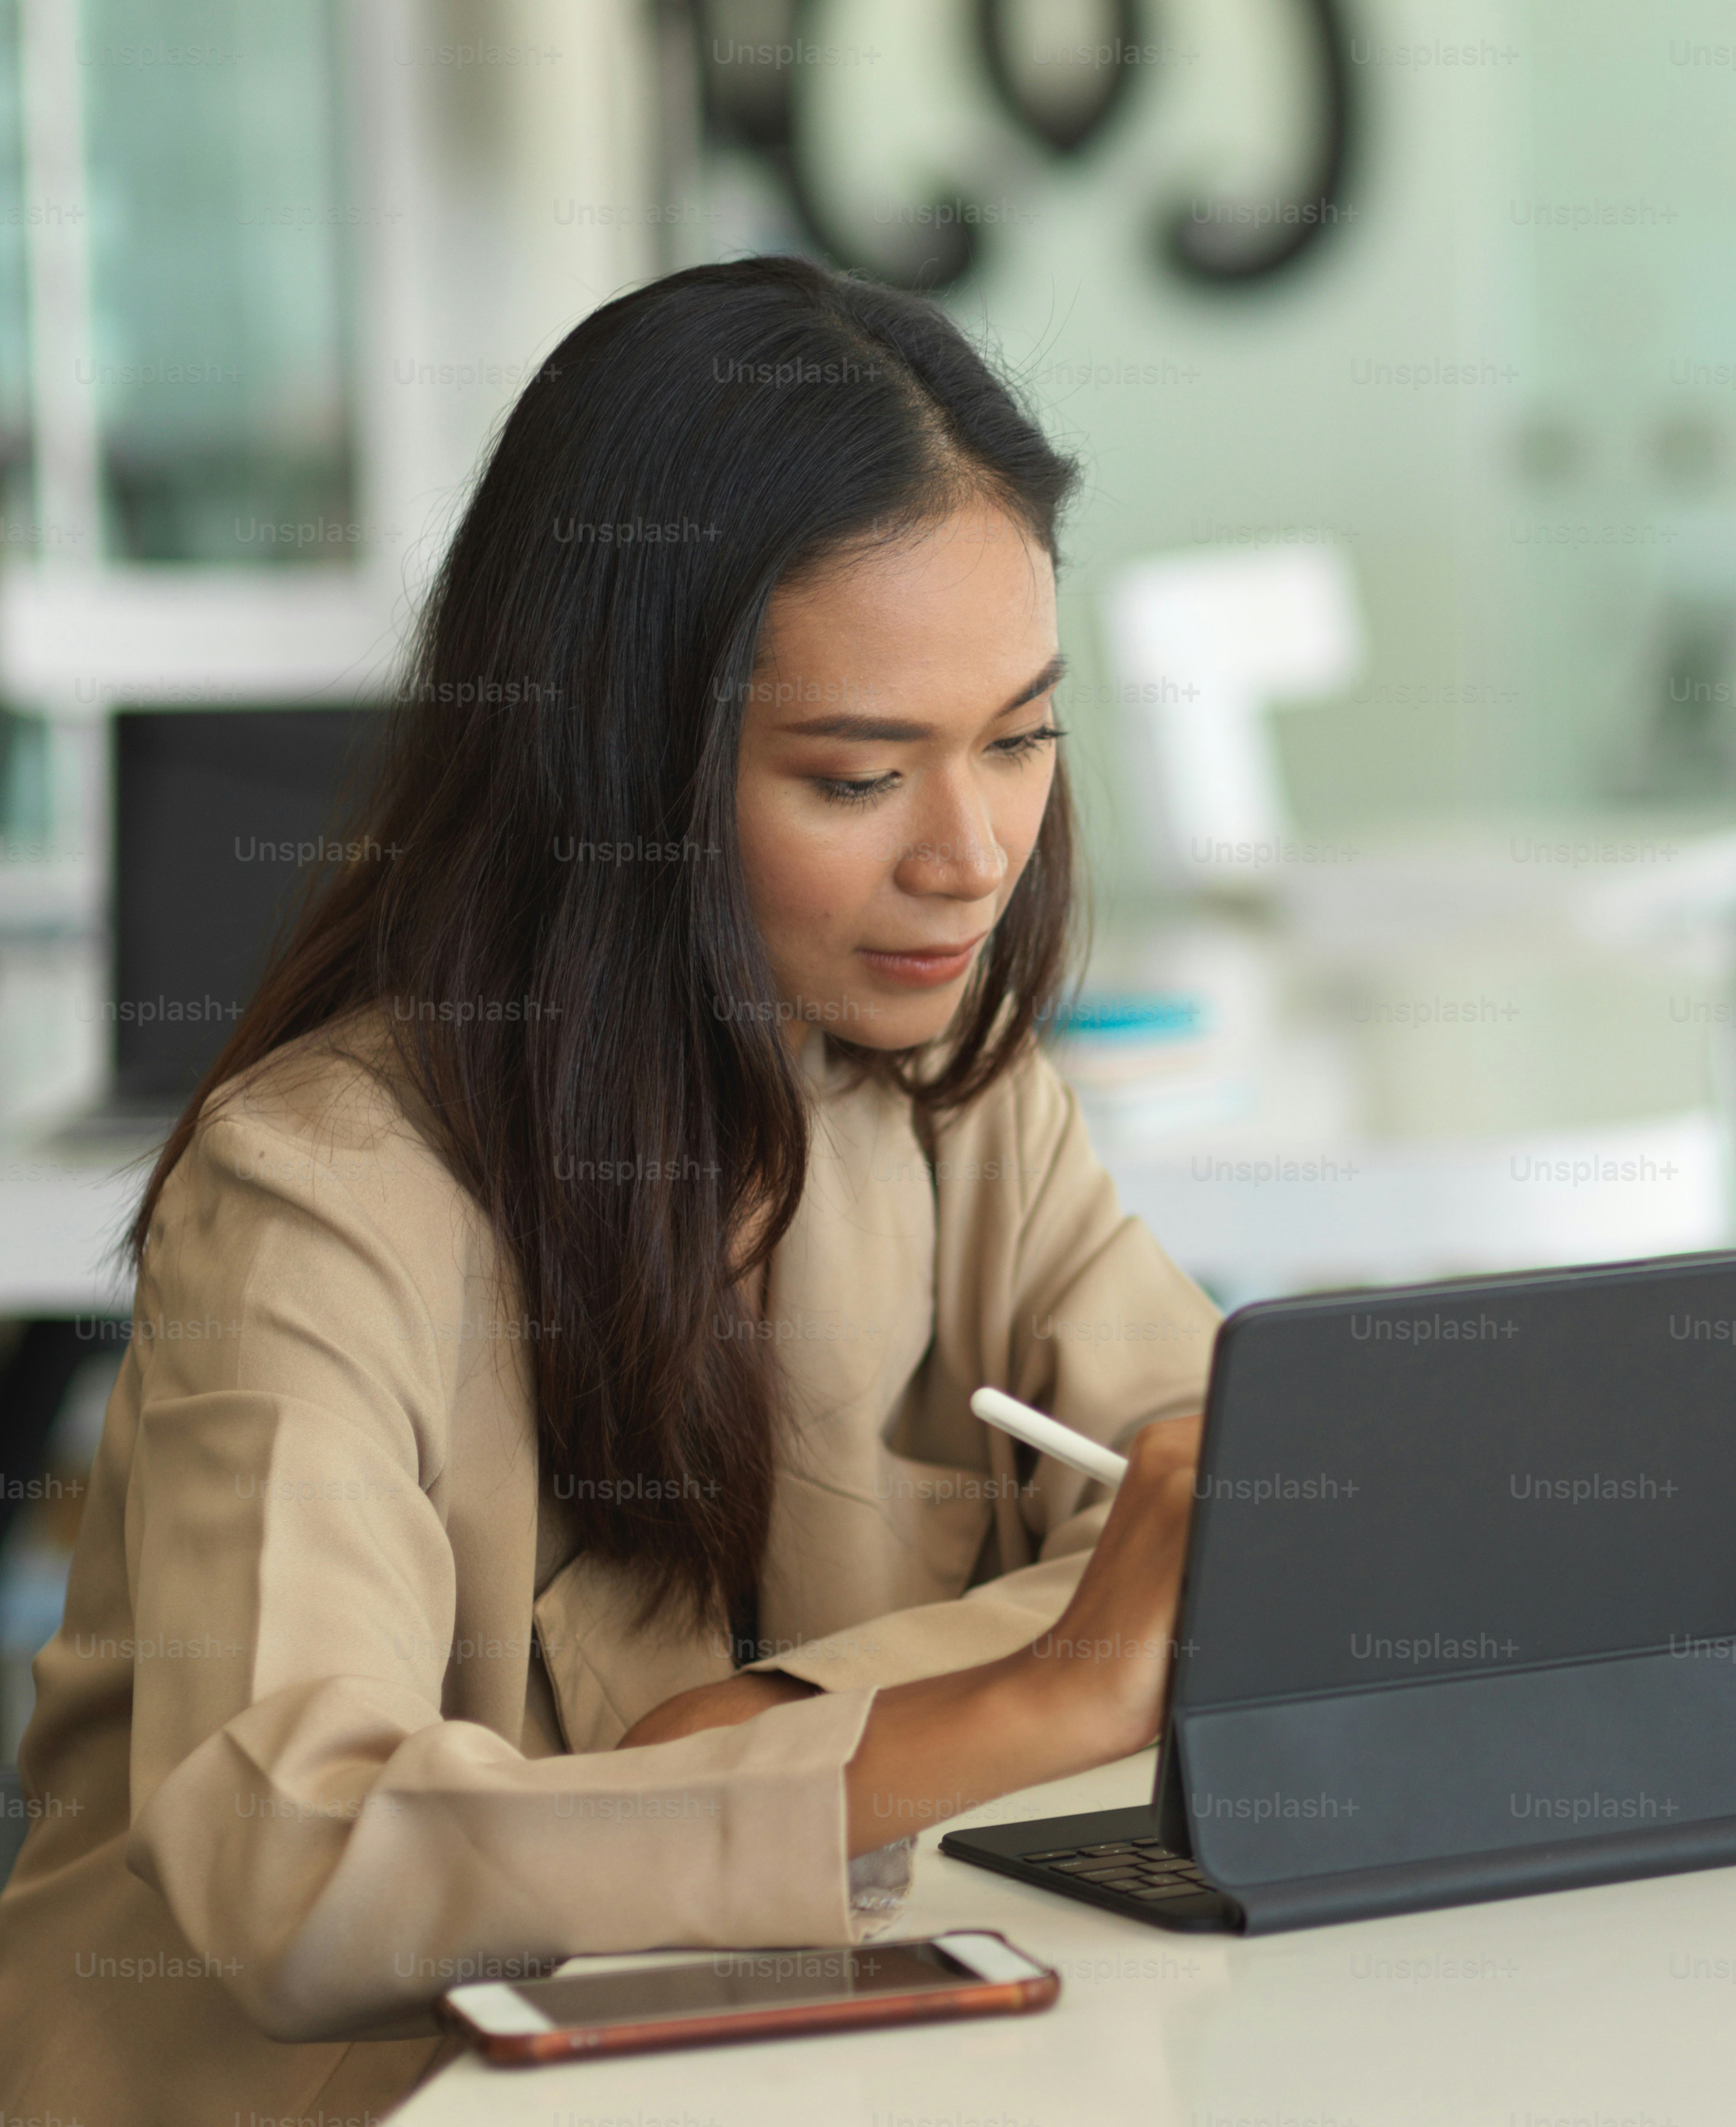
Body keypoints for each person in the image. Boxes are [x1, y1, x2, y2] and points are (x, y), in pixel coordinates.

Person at [0, 257, 1210, 2124]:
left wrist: (768, 1733)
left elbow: (1234, 1529)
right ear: (617, 768)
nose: (970, 856)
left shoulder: (960, 1106)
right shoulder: (319, 1195)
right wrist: (1019, 1699)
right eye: (857, 773)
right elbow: (296, 1863)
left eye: (1022, 738)